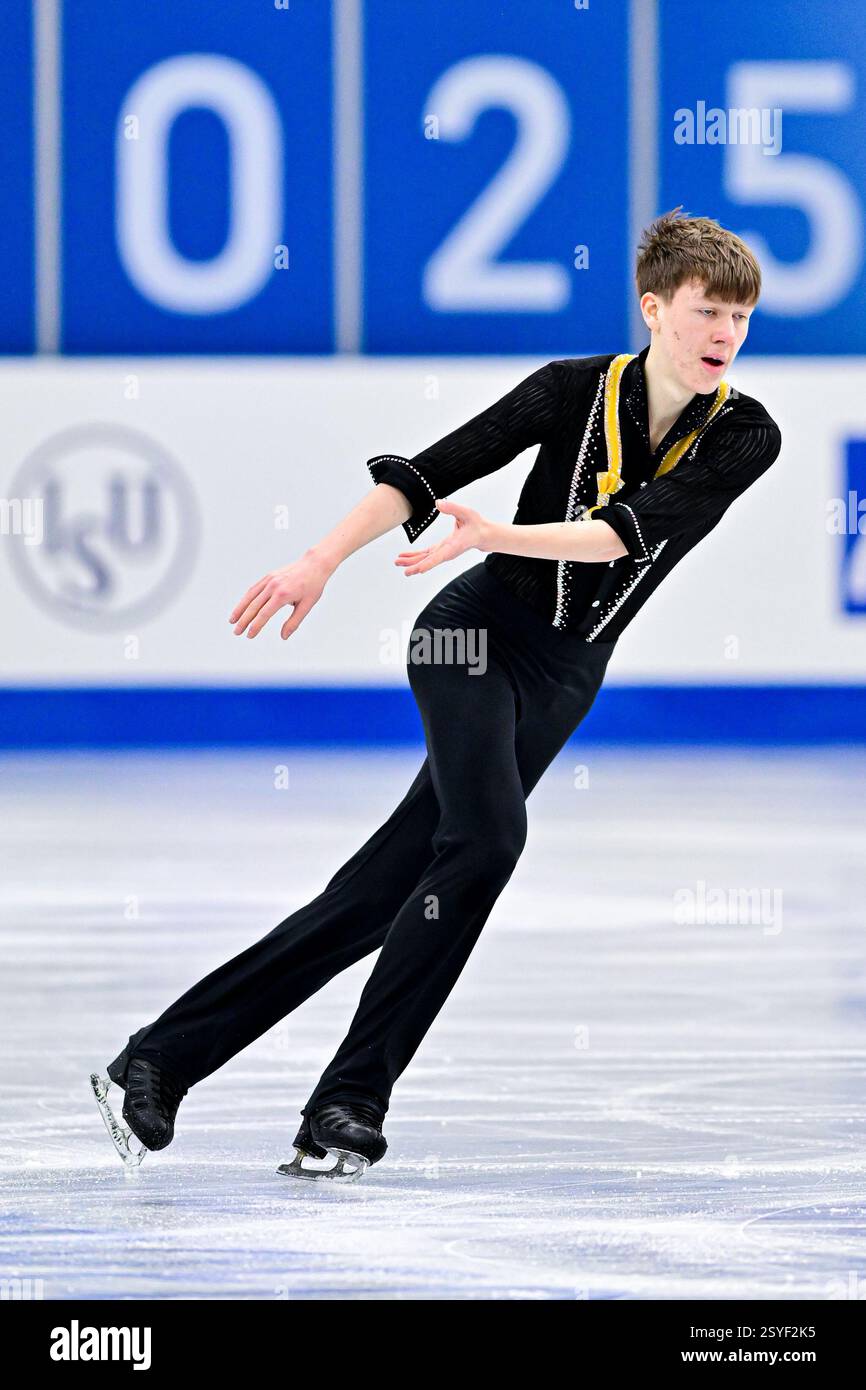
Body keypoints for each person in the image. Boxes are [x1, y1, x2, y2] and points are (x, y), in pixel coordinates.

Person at [91, 208, 782, 1182]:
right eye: (707, 311)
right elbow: (429, 473)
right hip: (468, 638)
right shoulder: (569, 390)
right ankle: (350, 1103)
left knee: (378, 897)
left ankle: (158, 1058)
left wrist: (494, 533)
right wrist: (319, 558)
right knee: (487, 842)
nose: (725, 335)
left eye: (740, 317)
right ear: (653, 307)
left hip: (565, 676)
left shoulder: (745, 435)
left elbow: (626, 532)